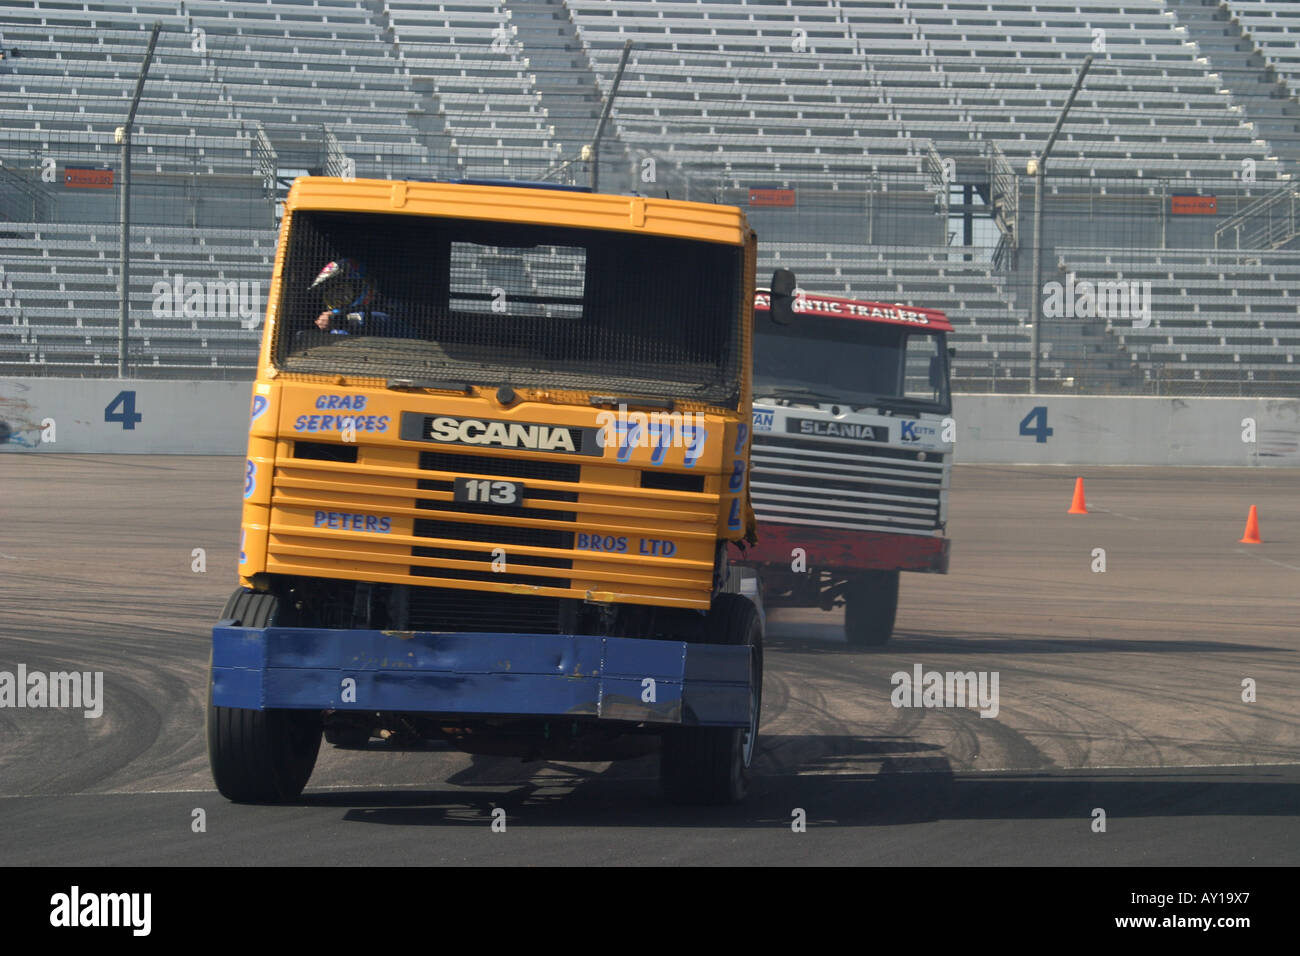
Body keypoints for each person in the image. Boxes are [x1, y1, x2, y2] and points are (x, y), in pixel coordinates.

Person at [307, 258, 411, 338]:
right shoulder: (338, 328)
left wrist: (339, 319)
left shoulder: (391, 310)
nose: (339, 301)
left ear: (361, 286)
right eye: (332, 298)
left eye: (342, 293)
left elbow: (376, 320)